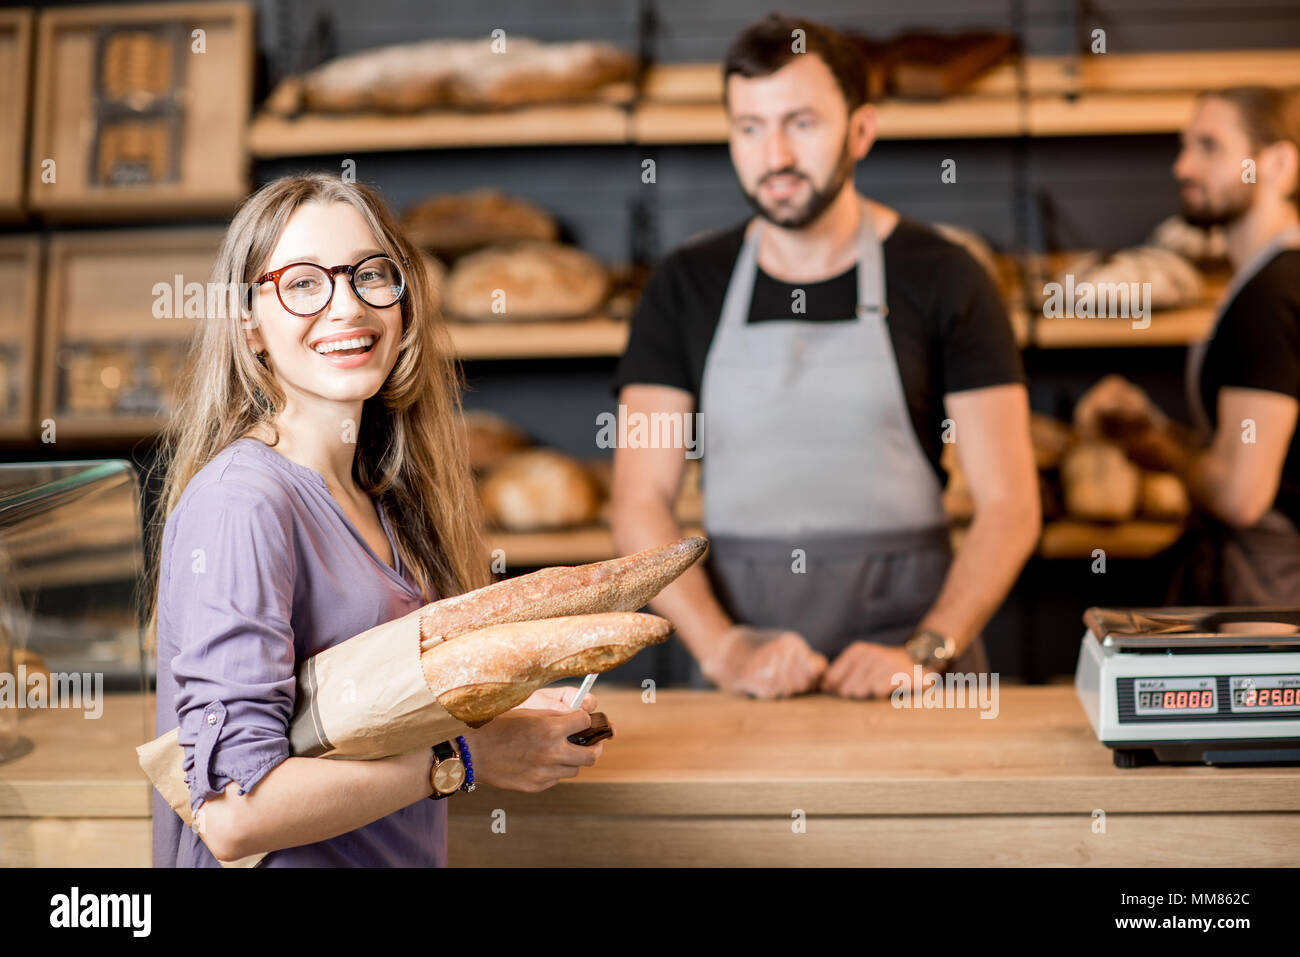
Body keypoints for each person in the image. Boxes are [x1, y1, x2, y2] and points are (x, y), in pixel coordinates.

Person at [147, 173, 605, 867]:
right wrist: (466, 756)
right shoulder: (243, 502)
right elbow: (235, 814)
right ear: (250, 324)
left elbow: (354, 711)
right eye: (303, 283)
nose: (348, 306)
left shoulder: (382, 495)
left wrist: (495, 706)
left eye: (370, 275)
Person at [608, 15, 1040, 700]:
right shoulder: (684, 285)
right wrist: (722, 648)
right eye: (750, 127)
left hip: (918, 668)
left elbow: (1011, 504)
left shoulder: (947, 275)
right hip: (747, 669)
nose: (774, 154)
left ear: (861, 131)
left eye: (800, 123)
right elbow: (638, 502)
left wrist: (925, 649)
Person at [1076, 87, 1300, 605]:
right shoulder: (1269, 281)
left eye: (1210, 147)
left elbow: (1242, 496)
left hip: (1276, 588)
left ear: (1278, 165)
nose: (1182, 167)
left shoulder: (1269, 294)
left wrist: (1161, 449)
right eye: (1184, 147)